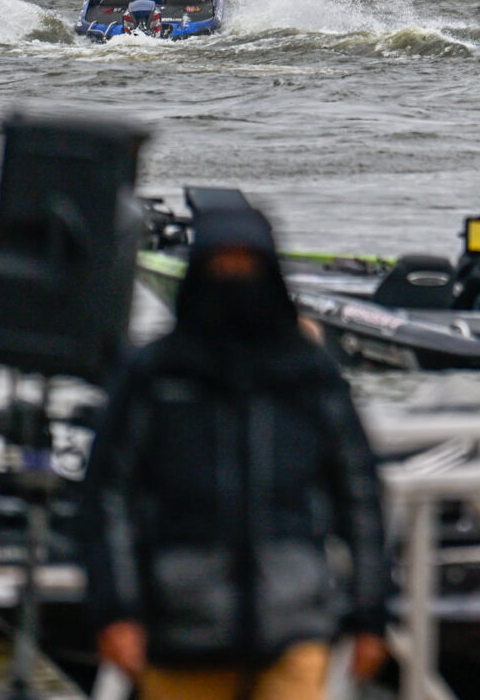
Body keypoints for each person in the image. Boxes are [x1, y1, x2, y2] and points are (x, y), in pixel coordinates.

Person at [79, 206, 390, 700]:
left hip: (293, 622)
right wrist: (115, 610)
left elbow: (359, 494)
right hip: (180, 624)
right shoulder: (155, 376)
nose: (233, 278)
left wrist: (371, 612)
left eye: (246, 264)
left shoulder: (307, 375)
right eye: (220, 265)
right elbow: (106, 496)